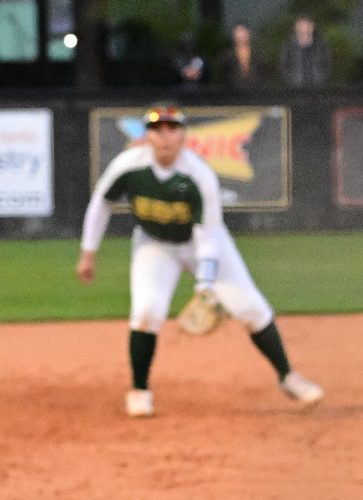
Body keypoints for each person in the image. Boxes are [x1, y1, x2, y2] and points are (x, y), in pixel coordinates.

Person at [77, 104, 323, 418]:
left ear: (183, 135)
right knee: (147, 312)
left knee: (250, 308)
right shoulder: (128, 165)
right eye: (157, 130)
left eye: (172, 130)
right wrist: (88, 253)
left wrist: (205, 285)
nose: (165, 137)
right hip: (155, 244)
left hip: (201, 243)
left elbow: (208, 236)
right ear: (146, 136)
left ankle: (289, 377)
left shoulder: (199, 175)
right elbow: (101, 204)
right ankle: (139, 390)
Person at [279, 16, 331, 87]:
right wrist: (292, 82)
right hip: (295, 89)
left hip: (318, 89)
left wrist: (321, 80)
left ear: (312, 27)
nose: (304, 28)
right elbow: (284, 67)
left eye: (307, 25)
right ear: (296, 28)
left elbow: (327, 65)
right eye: (301, 25)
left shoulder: (321, 47)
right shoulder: (288, 47)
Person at [214, 23, 259, 88]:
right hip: (233, 93)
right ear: (234, 35)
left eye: (243, 31)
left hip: (255, 93)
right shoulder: (227, 57)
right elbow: (222, 76)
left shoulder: (258, 56)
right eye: (239, 32)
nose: (241, 35)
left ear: (248, 34)